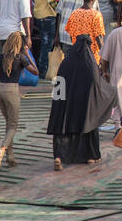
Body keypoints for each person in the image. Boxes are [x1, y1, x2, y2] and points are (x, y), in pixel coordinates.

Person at [46, 34, 117, 171]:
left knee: (62, 129)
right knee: (89, 127)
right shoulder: (90, 63)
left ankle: (59, 157)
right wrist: (111, 92)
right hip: (85, 104)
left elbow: (59, 83)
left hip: (66, 103)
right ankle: (91, 157)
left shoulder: (66, 62)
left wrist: (57, 104)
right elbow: (97, 85)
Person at [0, 32, 36, 169]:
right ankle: (2, 150)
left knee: (8, 123)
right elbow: (36, 72)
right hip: (11, 90)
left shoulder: (1, 57)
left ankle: (10, 156)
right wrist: (27, 54)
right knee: (13, 125)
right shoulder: (21, 57)